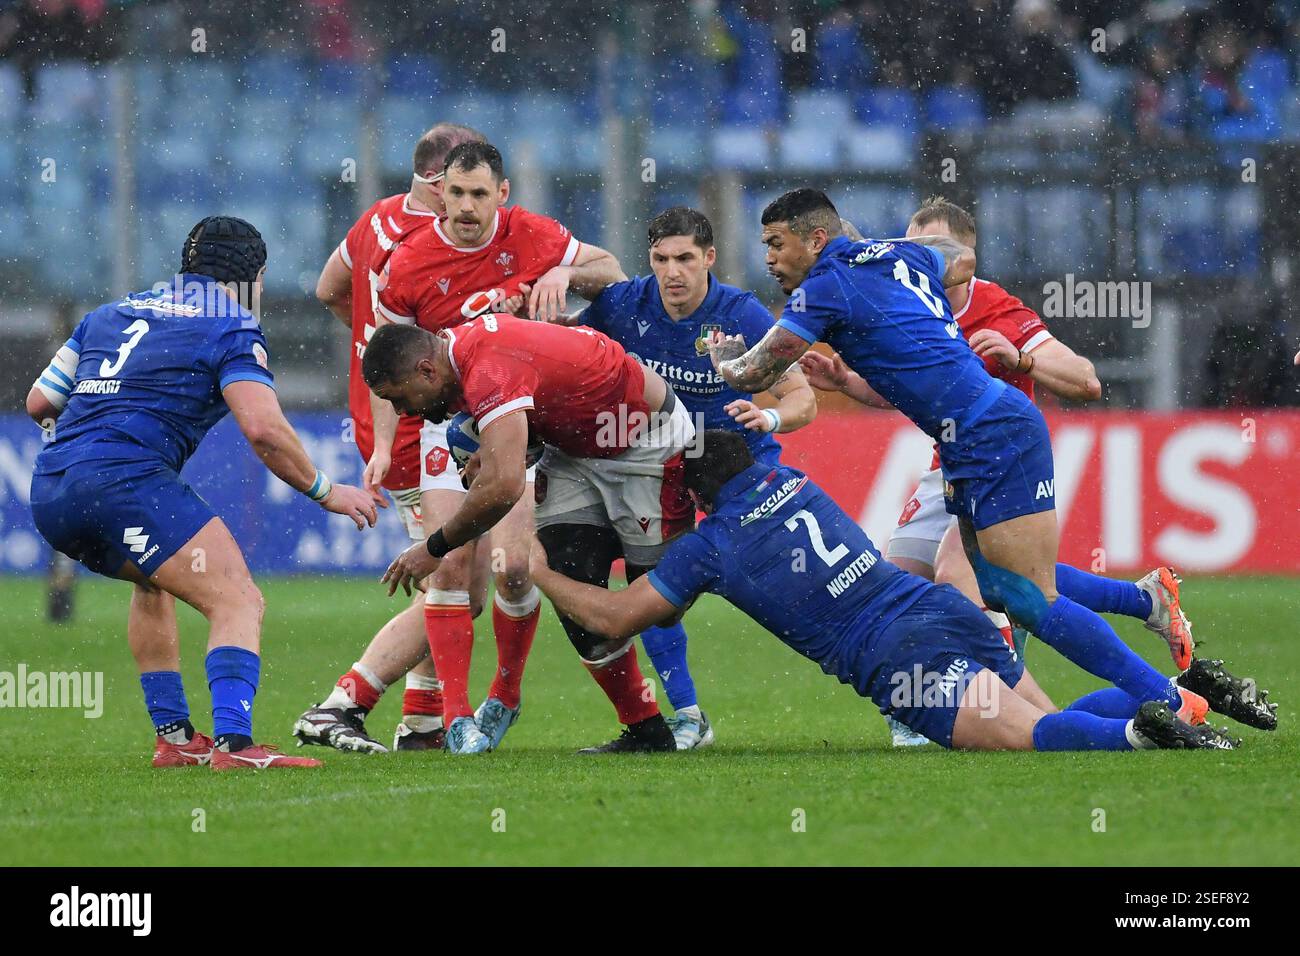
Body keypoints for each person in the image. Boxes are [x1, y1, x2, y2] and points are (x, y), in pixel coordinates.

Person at [706, 189, 1277, 734]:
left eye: (777, 243)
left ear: (816, 239)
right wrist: (873, 249)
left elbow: (757, 372)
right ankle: (1139, 644)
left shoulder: (824, 287)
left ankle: (1173, 702)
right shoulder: (899, 257)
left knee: (1029, 596)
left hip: (992, 431)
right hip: (970, 439)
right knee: (998, 590)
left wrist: (723, 357)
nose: (770, 258)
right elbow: (956, 258)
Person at [527, 430, 1243, 753]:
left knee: (1028, 739)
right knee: (1038, 716)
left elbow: (616, 615)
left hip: (896, 655)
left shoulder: (708, 548)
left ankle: (1141, 737)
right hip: (936, 608)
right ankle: (1184, 706)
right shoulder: (791, 481)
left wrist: (534, 566)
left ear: (695, 491)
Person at [26, 216, 380, 771]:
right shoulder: (231, 324)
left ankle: (174, 738)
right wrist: (324, 490)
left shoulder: (109, 313)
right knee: (237, 599)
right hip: (126, 482)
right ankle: (235, 746)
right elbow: (262, 428)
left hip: (51, 490)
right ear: (253, 277)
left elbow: (39, 404)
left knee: (151, 581)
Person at [368, 141, 626, 754]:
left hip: (527, 418)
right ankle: (455, 720)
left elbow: (612, 272)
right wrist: (383, 445)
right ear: (438, 194)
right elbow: (384, 364)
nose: (465, 206)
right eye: (454, 193)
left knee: (514, 569)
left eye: (479, 194)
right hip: (445, 420)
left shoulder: (533, 234)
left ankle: (505, 694)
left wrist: (566, 273)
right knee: (452, 566)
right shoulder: (406, 265)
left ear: (501, 196)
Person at [363, 316, 694, 753]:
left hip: (649, 443)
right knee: (573, 580)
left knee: (660, 607)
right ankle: (647, 730)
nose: (404, 412)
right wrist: (511, 447)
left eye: (400, 398)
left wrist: (434, 547)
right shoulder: (461, 361)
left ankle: (732, 568)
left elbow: (504, 488)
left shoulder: (487, 368)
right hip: (576, 453)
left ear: (426, 371)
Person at [557, 205, 817, 749]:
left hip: (737, 468)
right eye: (660, 259)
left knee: (797, 584)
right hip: (657, 467)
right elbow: (568, 358)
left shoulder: (741, 315)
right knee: (652, 588)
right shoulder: (623, 306)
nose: (672, 272)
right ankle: (688, 717)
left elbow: (803, 399)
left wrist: (767, 416)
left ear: (710, 259)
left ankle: (890, 696)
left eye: (685, 259)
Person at [294, 122, 485, 755]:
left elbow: (327, 289)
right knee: (456, 586)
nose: (467, 203)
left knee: (454, 585)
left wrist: (370, 345)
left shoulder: (373, 220)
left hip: (390, 418)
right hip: (418, 424)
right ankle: (343, 702)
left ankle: (423, 722)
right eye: (456, 187)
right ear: (434, 182)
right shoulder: (420, 242)